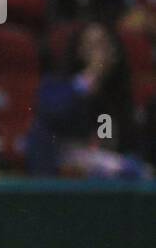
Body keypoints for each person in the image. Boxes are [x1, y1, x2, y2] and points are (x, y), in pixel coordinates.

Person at [27, 21, 148, 178]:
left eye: (103, 45)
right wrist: (90, 77)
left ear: (114, 52)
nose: (98, 54)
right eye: (91, 46)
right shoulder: (57, 84)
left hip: (106, 168)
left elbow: (124, 142)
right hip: (59, 167)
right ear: (79, 50)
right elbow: (54, 116)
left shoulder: (121, 92)